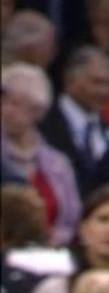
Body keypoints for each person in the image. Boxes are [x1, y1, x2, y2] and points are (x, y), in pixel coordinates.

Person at [2, 63, 83, 244]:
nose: (6, 110)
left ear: (37, 110)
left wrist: (55, 238)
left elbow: (73, 220)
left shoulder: (58, 164)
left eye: (15, 104)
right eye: (4, 102)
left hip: (51, 253)